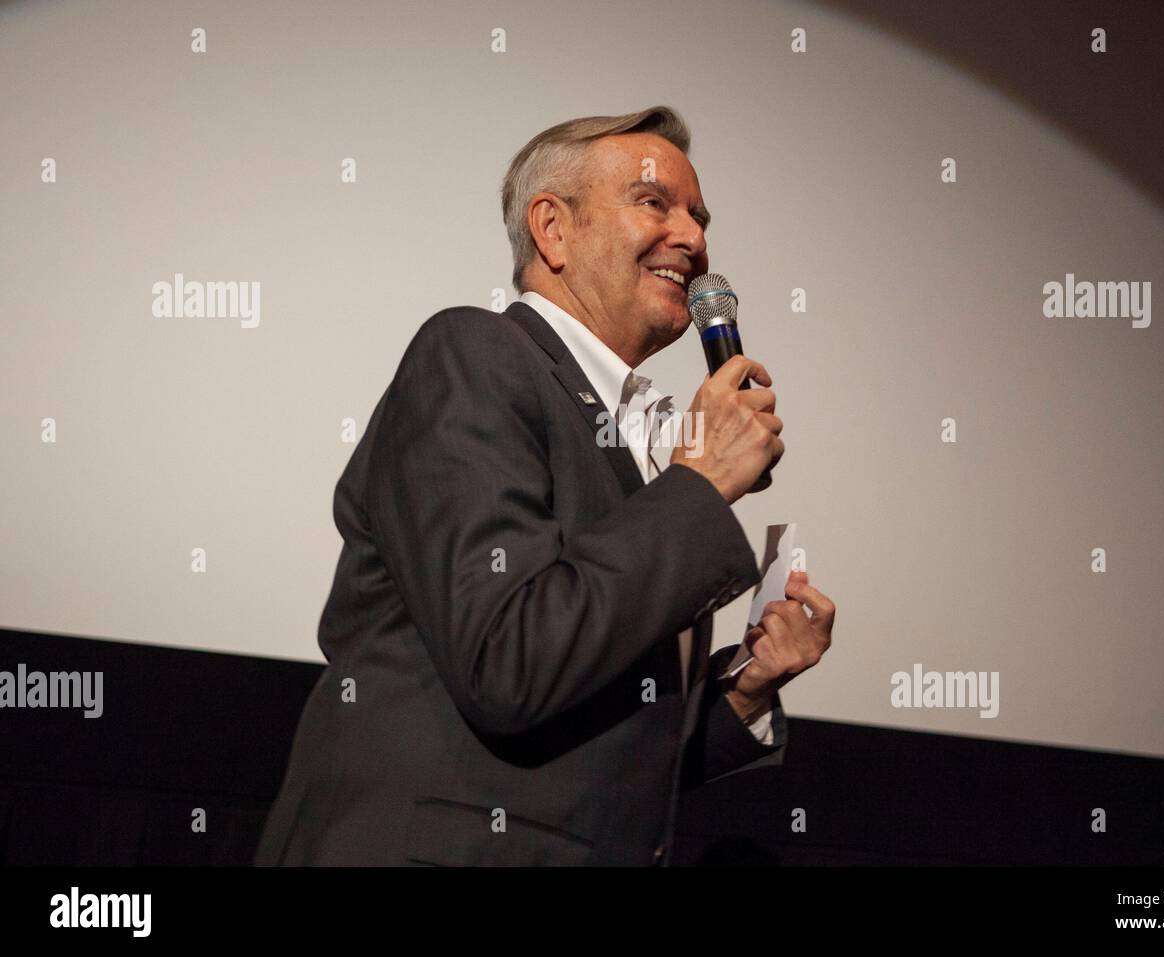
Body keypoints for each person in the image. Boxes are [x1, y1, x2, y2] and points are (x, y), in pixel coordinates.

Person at [254, 105, 835, 866]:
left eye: (699, 216)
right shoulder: (473, 355)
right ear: (553, 230)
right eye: (656, 202)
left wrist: (748, 689)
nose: (693, 238)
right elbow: (509, 661)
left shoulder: (633, 448)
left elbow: (602, 755)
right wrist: (700, 483)